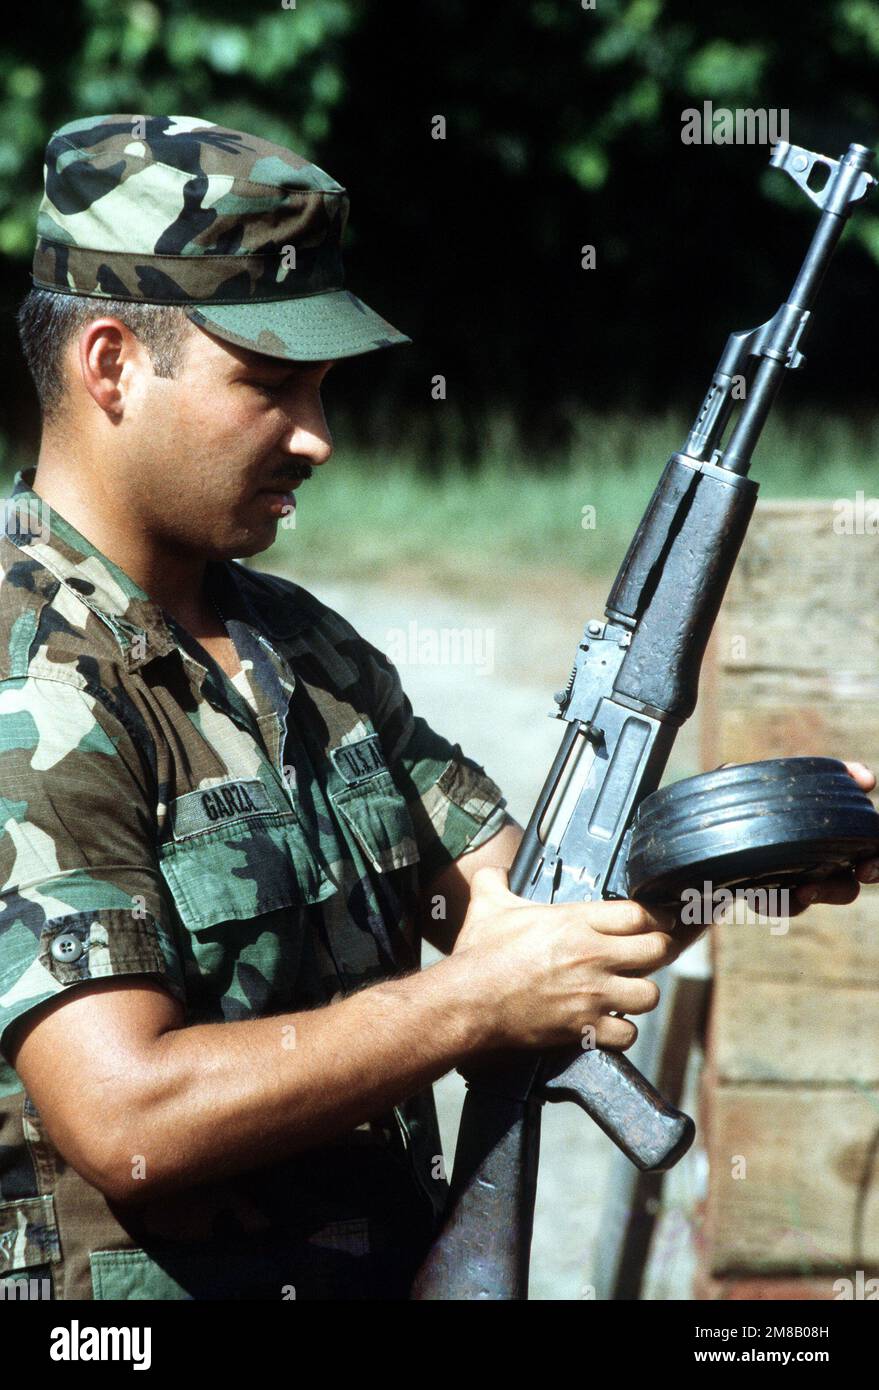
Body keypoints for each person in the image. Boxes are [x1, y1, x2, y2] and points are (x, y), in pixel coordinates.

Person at [0, 115, 874, 1302]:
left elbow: (529, 923)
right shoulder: (30, 674)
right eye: (268, 383)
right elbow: (123, 1109)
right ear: (111, 365)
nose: (318, 434)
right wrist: (473, 1006)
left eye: (322, 384)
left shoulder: (301, 645)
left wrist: (745, 849)